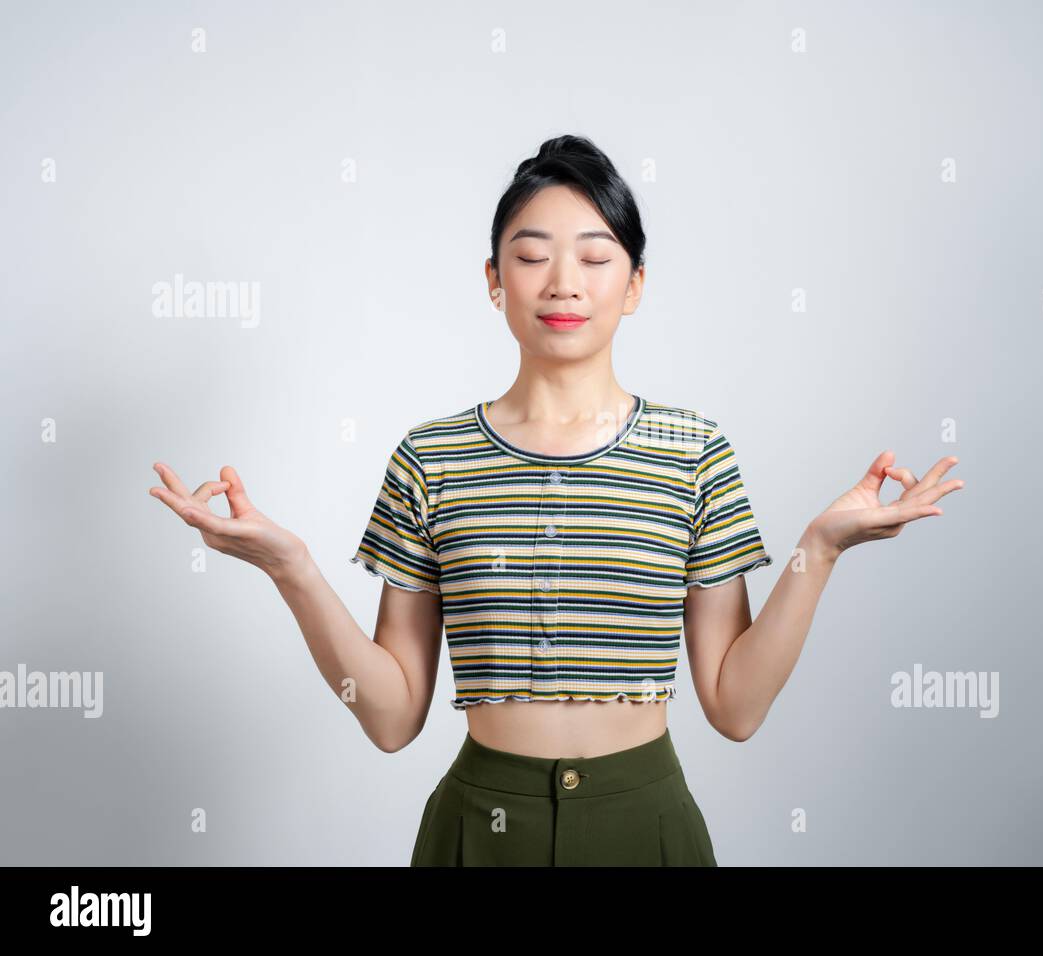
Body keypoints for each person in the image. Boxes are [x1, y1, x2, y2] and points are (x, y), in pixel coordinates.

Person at [147, 134, 964, 866]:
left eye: (596, 256)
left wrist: (817, 551)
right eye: (531, 255)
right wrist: (291, 570)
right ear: (494, 281)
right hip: (478, 829)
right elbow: (392, 716)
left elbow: (735, 705)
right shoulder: (431, 459)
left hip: (647, 828)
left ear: (635, 284)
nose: (563, 282)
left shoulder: (694, 453)